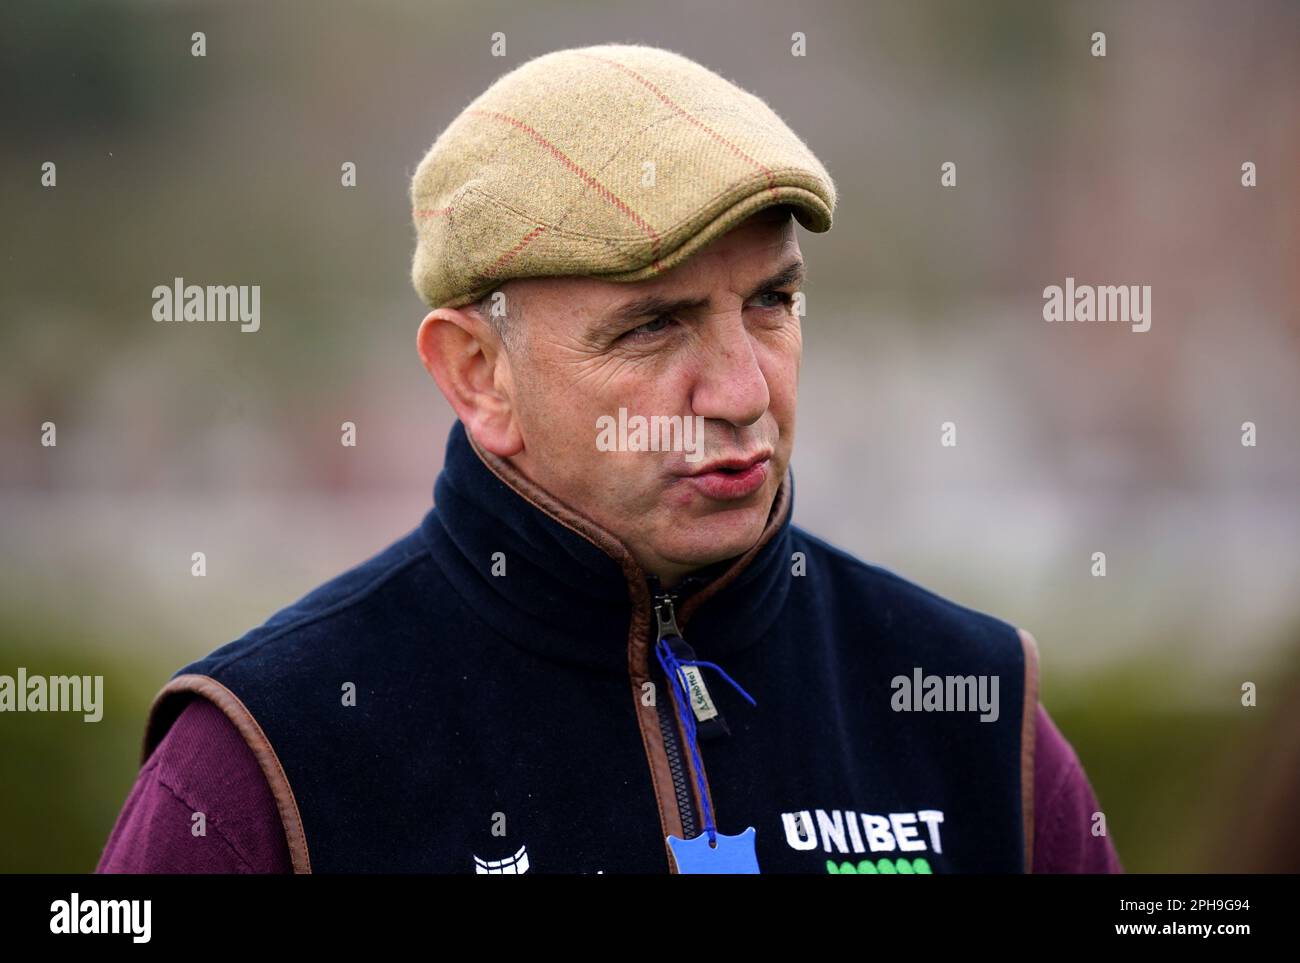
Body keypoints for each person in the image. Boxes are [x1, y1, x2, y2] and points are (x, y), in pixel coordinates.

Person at [97, 43, 1122, 874]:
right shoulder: (266, 757)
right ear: (479, 374)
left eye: (772, 301)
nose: (742, 393)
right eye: (653, 325)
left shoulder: (974, 709)